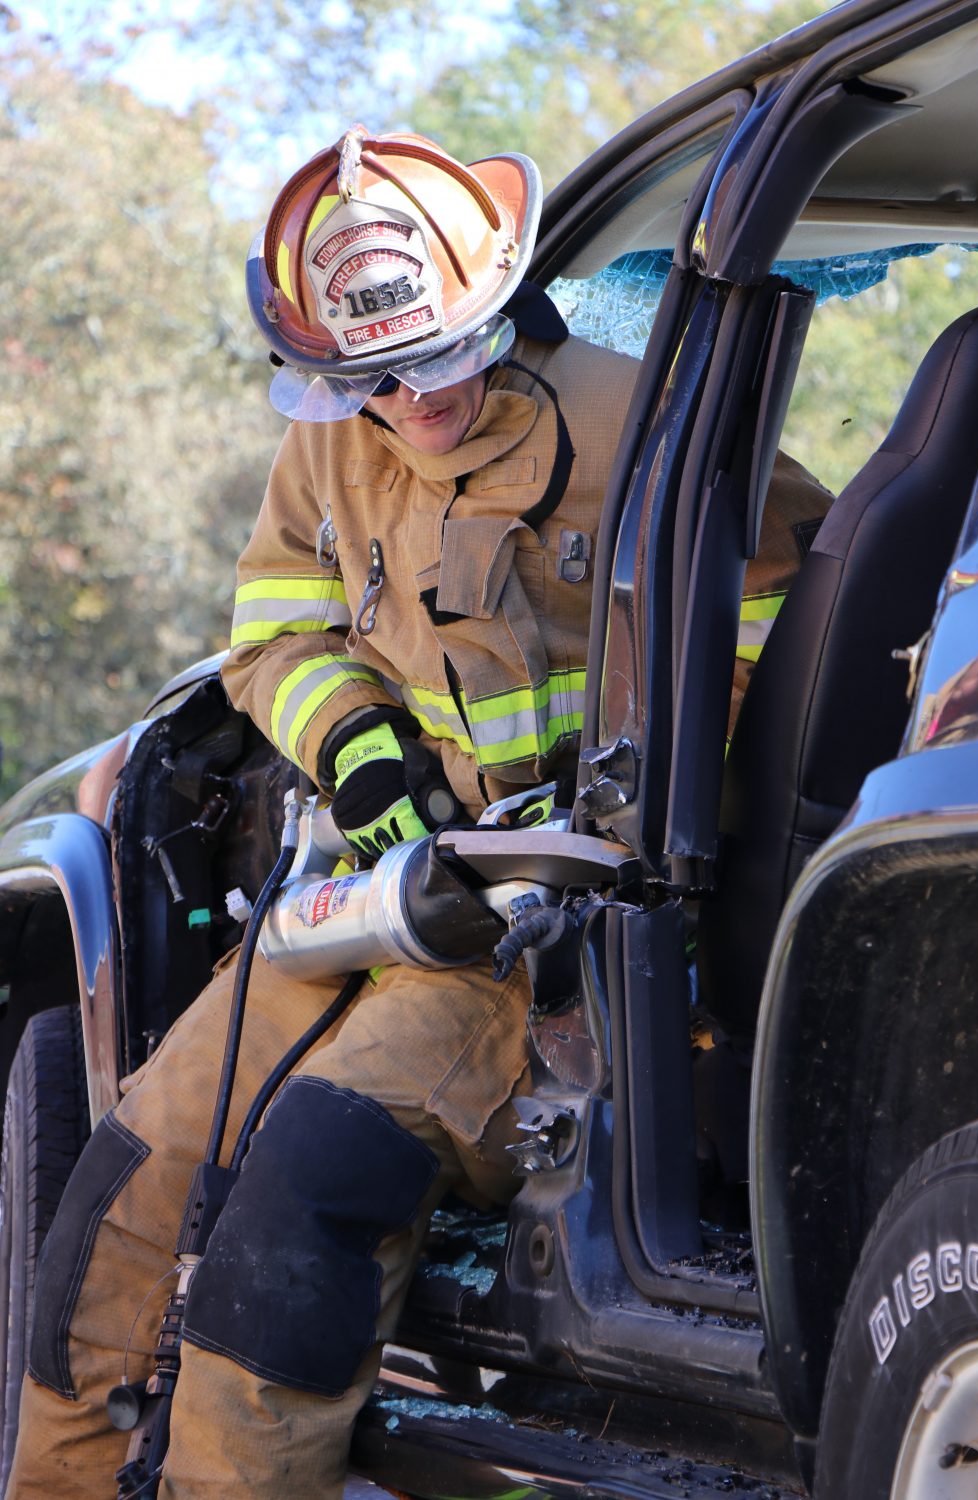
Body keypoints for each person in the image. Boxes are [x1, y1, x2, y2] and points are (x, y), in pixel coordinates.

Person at [7, 127, 830, 1498]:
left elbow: (799, 614)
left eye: (441, 355)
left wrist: (668, 741)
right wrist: (360, 749)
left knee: (305, 1195)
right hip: (379, 886)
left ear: (502, 299)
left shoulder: (649, 421)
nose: (415, 400)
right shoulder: (327, 452)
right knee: (123, 1193)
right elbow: (276, 631)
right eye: (370, 376)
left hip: (548, 928)